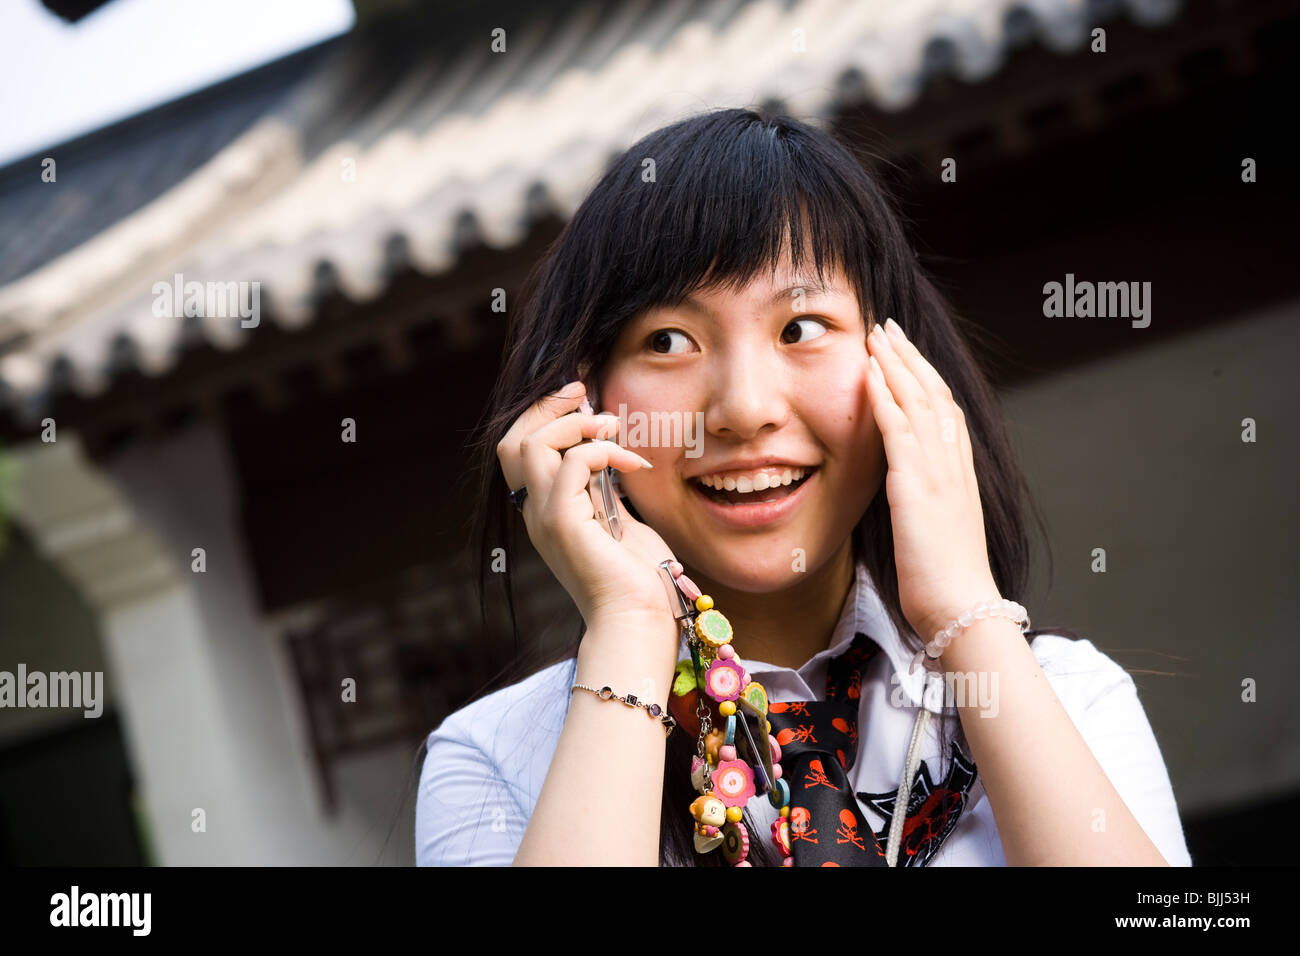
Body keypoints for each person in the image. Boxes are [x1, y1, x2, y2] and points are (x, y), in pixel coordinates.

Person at [414, 107, 1192, 867]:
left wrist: (966, 615)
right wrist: (629, 624)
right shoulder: (496, 759)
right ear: (582, 400)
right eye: (668, 340)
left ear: (899, 362)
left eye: (801, 328)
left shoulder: (1066, 697)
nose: (747, 409)